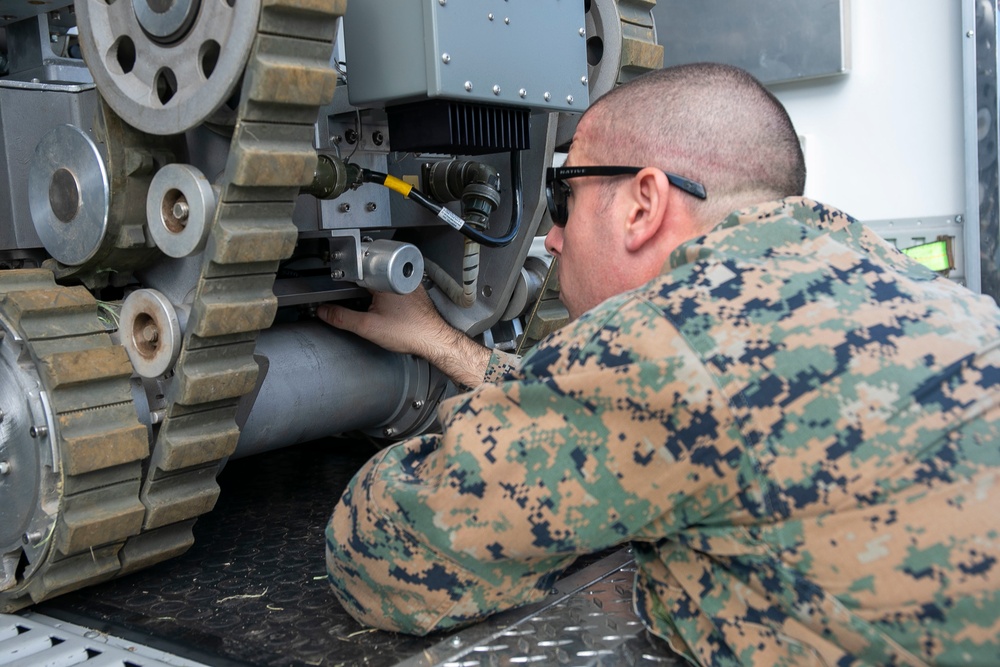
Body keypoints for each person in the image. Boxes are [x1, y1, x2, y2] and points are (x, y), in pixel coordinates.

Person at [318, 63, 1000, 665]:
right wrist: (441, 343)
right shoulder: (902, 282)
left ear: (643, 202)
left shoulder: (673, 338)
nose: (551, 236)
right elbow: (650, 416)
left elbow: (383, 554)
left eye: (566, 198)